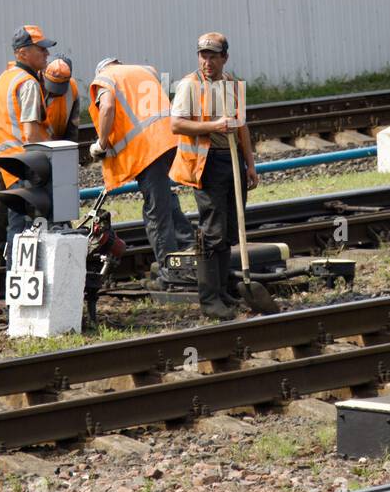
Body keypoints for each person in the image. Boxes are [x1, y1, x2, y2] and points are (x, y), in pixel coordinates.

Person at [169, 32, 259, 320]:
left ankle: (223, 291)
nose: (207, 61)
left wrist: (251, 164)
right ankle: (210, 300)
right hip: (205, 164)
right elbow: (176, 124)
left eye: (213, 56)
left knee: (231, 229)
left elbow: (242, 126)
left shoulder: (232, 84)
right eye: (203, 55)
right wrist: (213, 126)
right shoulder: (189, 85)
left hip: (231, 163)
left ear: (224, 58)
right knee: (213, 231)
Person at [88, 58, 194, 287]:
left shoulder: (105, 78)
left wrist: (102, 143)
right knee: (166, 200)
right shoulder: (145, 70)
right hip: (171, 140)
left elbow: (106, 107)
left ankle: (170, 275)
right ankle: (190, 249)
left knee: (156, 212)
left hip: (148, 149)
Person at [0, 25, 56, 264]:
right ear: (23, 52)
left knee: (15, 227)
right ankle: (25, 285)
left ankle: (13, 282)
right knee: (31, 227)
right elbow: (30, 132)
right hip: (26, 166)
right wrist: (49, 160)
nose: (47, 54)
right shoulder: (28, 83)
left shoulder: (5, 78)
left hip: (6, 165)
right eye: (41, 49)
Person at [44, 57, 81, 142]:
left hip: (60, 144)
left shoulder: (72, 88)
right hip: (39, 144)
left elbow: (73, 124)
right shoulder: (36, 86)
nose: (55, 92)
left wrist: (70, 148)